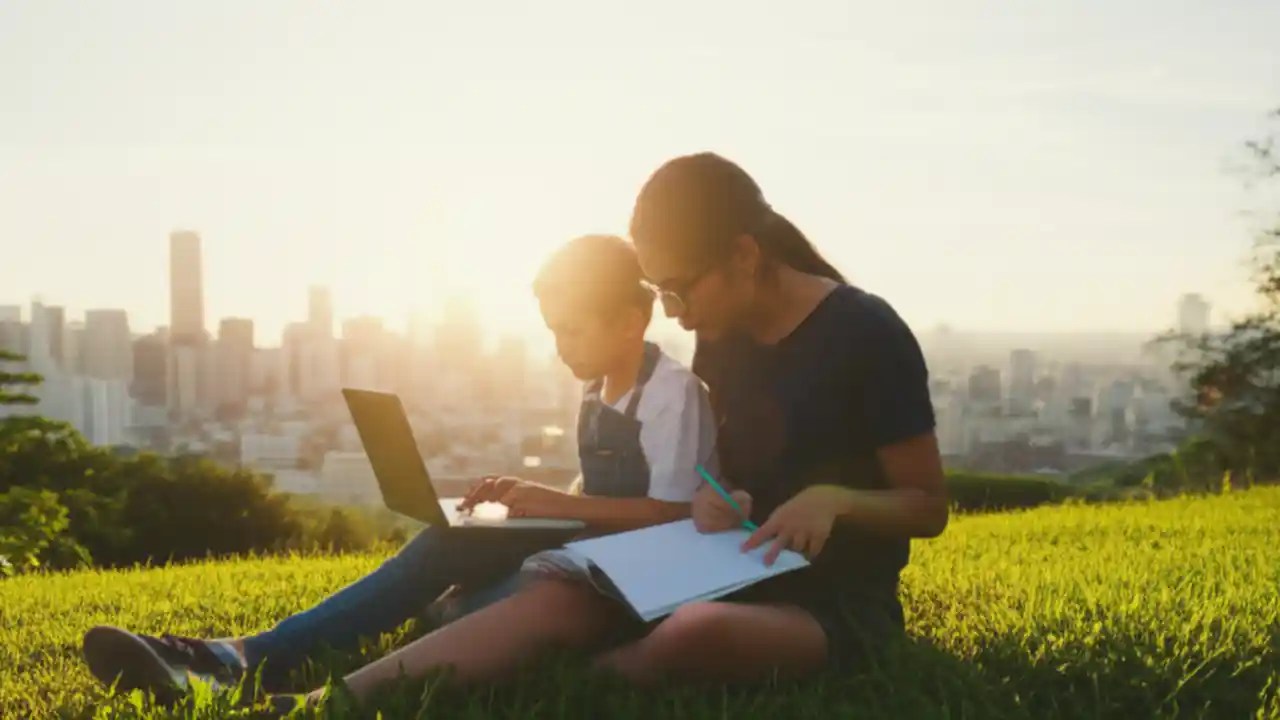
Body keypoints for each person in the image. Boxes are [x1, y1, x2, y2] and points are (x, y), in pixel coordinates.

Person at [259, 152, 950, 711]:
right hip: (723, 568)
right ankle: (321, 703)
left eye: (679, 290)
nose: (673, 315)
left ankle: (577, 679)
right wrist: (724, 497)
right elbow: (729, 474)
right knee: (560, 593)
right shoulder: (723, 336)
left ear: (743, 255)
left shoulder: (866, 333)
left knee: (696, 632)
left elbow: (928, 507)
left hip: (832, 603)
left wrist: (835, 499)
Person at [81, 233, 719, 700]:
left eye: (573, 332)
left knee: (459, 611)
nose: (561, 349)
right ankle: (235, 658)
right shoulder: (598, 382)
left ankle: (238, 668)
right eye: (553, 333)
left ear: (632, 321)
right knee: (446, 547)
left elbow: (672, 513)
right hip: (591, 546)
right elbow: (601, 493)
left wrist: (556, 505)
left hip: (640, 569)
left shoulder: (671, 394)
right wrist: (529, 498)